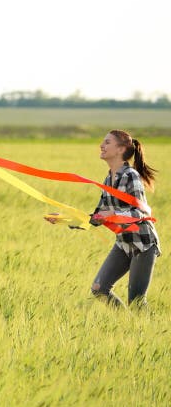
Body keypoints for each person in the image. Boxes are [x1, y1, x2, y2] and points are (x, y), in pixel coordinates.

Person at [84, 130, 159, 309]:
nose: (101, 145)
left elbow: (140, 213)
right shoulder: (108, 179)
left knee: (136, 301)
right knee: (99, 289)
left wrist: (112, 214)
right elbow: (98, 216)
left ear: (121, 149)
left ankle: (143, 325)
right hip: (123, 243)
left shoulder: (131, 175)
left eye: (107, 142)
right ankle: (126, 322)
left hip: (142, 244)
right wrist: (66, 218)